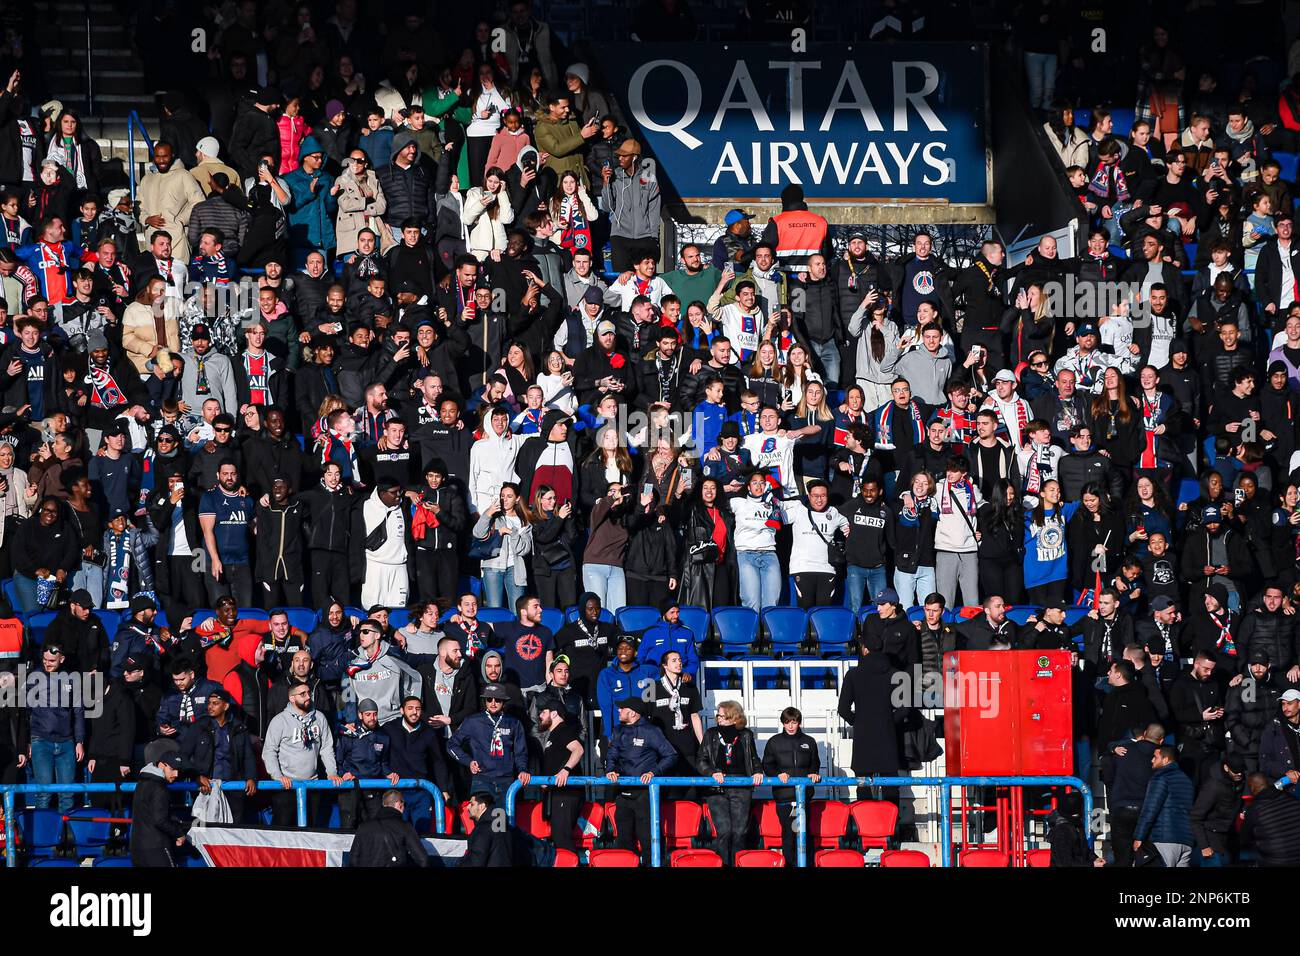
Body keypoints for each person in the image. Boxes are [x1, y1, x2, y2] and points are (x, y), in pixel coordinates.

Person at [605, 696, 678, 864]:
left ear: (633, 713)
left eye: (622, 708)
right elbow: (612, 754)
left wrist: (654, 772)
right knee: (623, 838)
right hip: (623, 792)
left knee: (648, 838)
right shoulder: (618, 730)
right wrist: (610, 770)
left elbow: (671, 755)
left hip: (645, 794)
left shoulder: (651, 731)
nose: (618, 710)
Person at [262, 679, 341, 826]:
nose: (308, 697)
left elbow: (326, 748)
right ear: (292, 698)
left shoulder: (319, 718)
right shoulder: (280, 720)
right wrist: (277, 776)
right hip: (287, 786)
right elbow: (269, 751)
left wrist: (332, 772)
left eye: (309, 693)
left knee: (311, 831)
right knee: (283, 830)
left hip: (312, 785)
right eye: (302, 694)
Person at [837, 631, 904, 801]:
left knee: (863, 785)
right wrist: (888, 721)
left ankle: (865, 825)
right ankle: (892, 825)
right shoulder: (896, 674)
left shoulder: (853, 675)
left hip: (863, 738)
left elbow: (843, 709)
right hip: (887, 737)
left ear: (865, 649)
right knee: (891, 786)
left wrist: (859, 722)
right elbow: (906, 708)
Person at [696, 699, 762, 866]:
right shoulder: (711, 734)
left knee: (739, 831)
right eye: (718, 716)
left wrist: (758, 771)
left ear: (734, 718)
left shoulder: (746, 735)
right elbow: (701, 760)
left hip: (741, 788)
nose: (719, 719)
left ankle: (738, 863)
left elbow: (753, 758)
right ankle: (724, 864)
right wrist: (712, 772)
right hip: (717, 789)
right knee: (724, 830)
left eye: (723, 716)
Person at [447, 682, 530, 801]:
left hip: (506, 781)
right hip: (481, 780)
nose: (493, 703)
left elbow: (520, 752)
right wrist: (468, 761)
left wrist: (522, 770)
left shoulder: (514, 723)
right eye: (489, 699)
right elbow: (451, 745)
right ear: (485, 701)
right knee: (483, 819)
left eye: (498, 700)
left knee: (504, 819)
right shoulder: (473, 721)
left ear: (504, 702)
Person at [533, 690, 584, 853]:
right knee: (558, 836)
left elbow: (578, 749)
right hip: (557, 793)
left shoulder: (563, 730)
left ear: (554, 714)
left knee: (562, 838)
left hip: (567, 793)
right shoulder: (554, 734)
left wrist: (565, 770)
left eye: (544, 712)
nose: (540, 715)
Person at [1133, 744, 1196, 868]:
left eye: (1155, 757)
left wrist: (1139, 836)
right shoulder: (1187, 781)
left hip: (1164, 839)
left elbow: (1150, 809)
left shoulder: (1160, 778)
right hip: (1186, 841)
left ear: (1165, 759)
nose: (1152, 760)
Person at [129, 751, 193, 867]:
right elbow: (160, 820)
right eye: (173, 769)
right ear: (162, 765)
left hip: (137, 847)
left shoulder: (142, 782)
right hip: (156, 848)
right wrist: (179, 833)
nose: (176, 774)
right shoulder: (159, 788)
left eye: (178, 770)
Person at [347, 789, 429, 867]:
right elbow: (423, 860)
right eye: (404, 804)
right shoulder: (405, 827)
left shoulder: (363, 827)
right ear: (399, 804)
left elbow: (353, 860)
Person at [1241, 772, 1300, 865]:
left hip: (1276, 861)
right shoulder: (1291, 798)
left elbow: (1244, 839)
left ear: (1252, 788)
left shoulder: (1254, 810)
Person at [461, 791, 514, 867]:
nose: (468, 807)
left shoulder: (484, 829)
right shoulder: (506, 826)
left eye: (472, 804)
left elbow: (476, 861)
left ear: (482, 806)